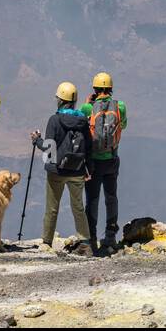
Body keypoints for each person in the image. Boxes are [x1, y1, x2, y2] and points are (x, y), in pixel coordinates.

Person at [29, 82, 92, 250]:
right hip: (78, 170)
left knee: (52, 208)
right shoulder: (83, 121)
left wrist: (37, 140)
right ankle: (85, 241)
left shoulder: (54, 120)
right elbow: (89, 146)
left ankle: (47, 242)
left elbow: (49, 148)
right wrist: (88, 169)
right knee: (78, 206)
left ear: (60, 100)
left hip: (56, 171)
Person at [81, 71, 126, 253]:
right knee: (111, 197)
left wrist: (87, 103)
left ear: (95, 89)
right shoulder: (120, 106)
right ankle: (110, 237)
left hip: (93, 162)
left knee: (92, 199)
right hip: (112, 159)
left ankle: (91, 239)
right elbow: (123, 125)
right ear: (111, 89)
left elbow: (83, 124)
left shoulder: (88, 108)